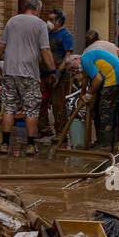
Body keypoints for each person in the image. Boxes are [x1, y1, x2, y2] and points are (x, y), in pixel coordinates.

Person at [0, 0, 55, 156]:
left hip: (10, 72)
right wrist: (53, 69)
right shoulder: (40, 24)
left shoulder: (11, 21)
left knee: (8, 107)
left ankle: (5, 144)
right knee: (31, 110)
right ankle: (30, 145)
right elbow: (45, 50)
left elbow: (1, 45)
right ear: (38, 8)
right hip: (29, 74)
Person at [73, 47, 119, 152]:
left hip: (115, 78)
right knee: (114, 112)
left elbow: (98, 80)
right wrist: (85, 94)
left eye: (73, 70)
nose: (75, 72)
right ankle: (111, 143)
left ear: (76, 61)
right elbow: (89, 81)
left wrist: (88, 94)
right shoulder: (88, 59)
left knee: (105, 111)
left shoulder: (85, 60)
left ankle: (105, 145)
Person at [44, 9, 74, 141]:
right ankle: (44, 129)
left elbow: (67, 57)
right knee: (42, 101)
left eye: (52, 19)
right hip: (45, 72)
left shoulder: (66, 35)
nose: (49, 22)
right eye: (48, 19)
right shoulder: (47, 34)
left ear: (60, 21)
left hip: (59, 73)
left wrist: (58, 72)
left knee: (58, 104)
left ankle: (61, 132)